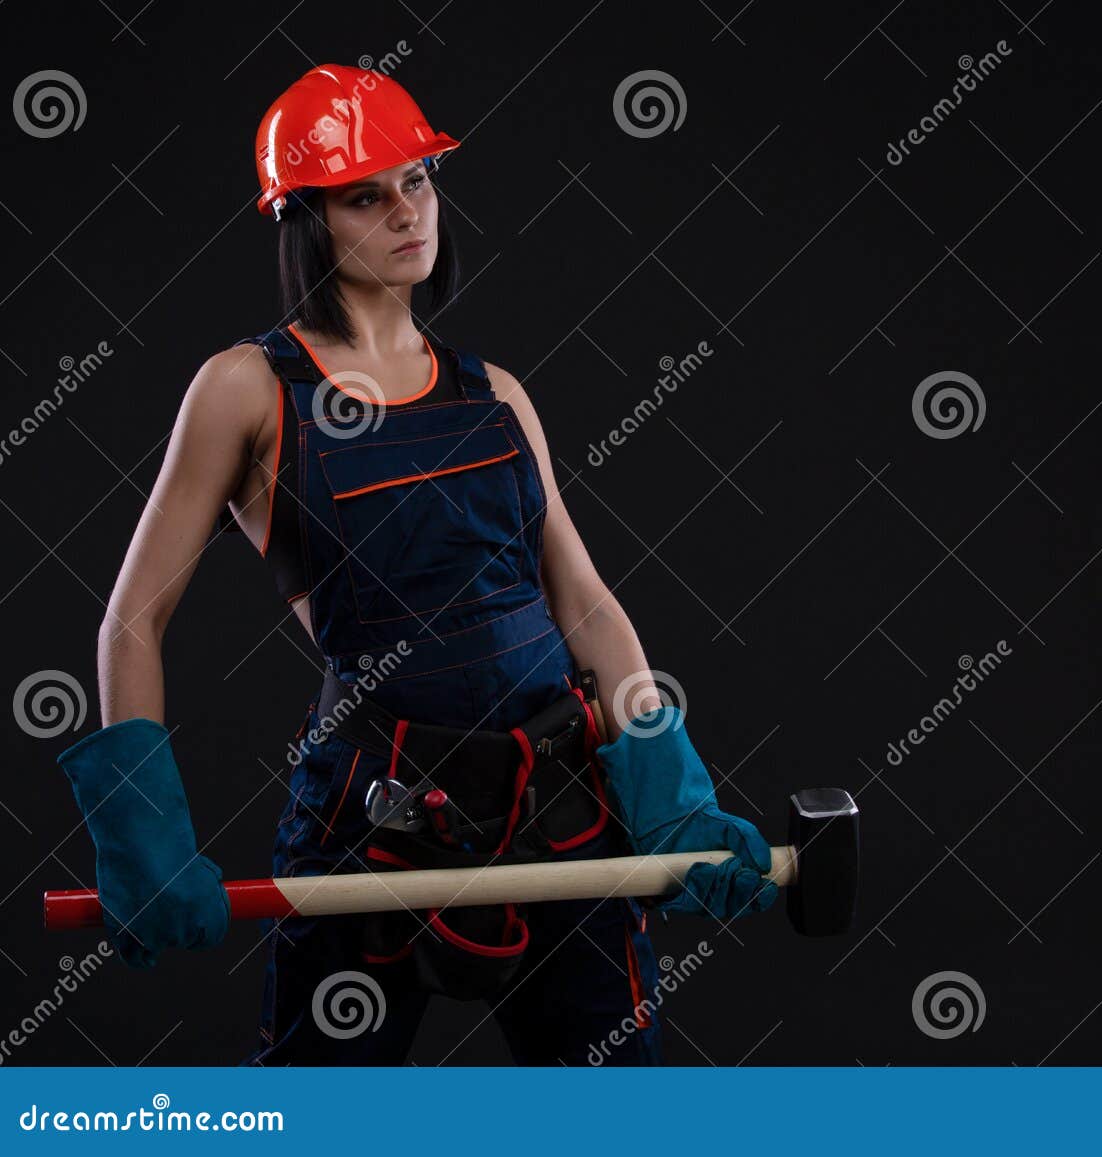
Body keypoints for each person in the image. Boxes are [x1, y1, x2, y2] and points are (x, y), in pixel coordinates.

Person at [53, 63, 776, 1065]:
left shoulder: (496, 393)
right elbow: (129, 620)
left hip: (560, 813)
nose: (405, 210)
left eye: (418, 181)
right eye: (365, 194)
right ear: (306, 218)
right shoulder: (246, 389)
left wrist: (672, 789)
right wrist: (144, 838)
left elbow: (586, 605)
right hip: (373, 821)